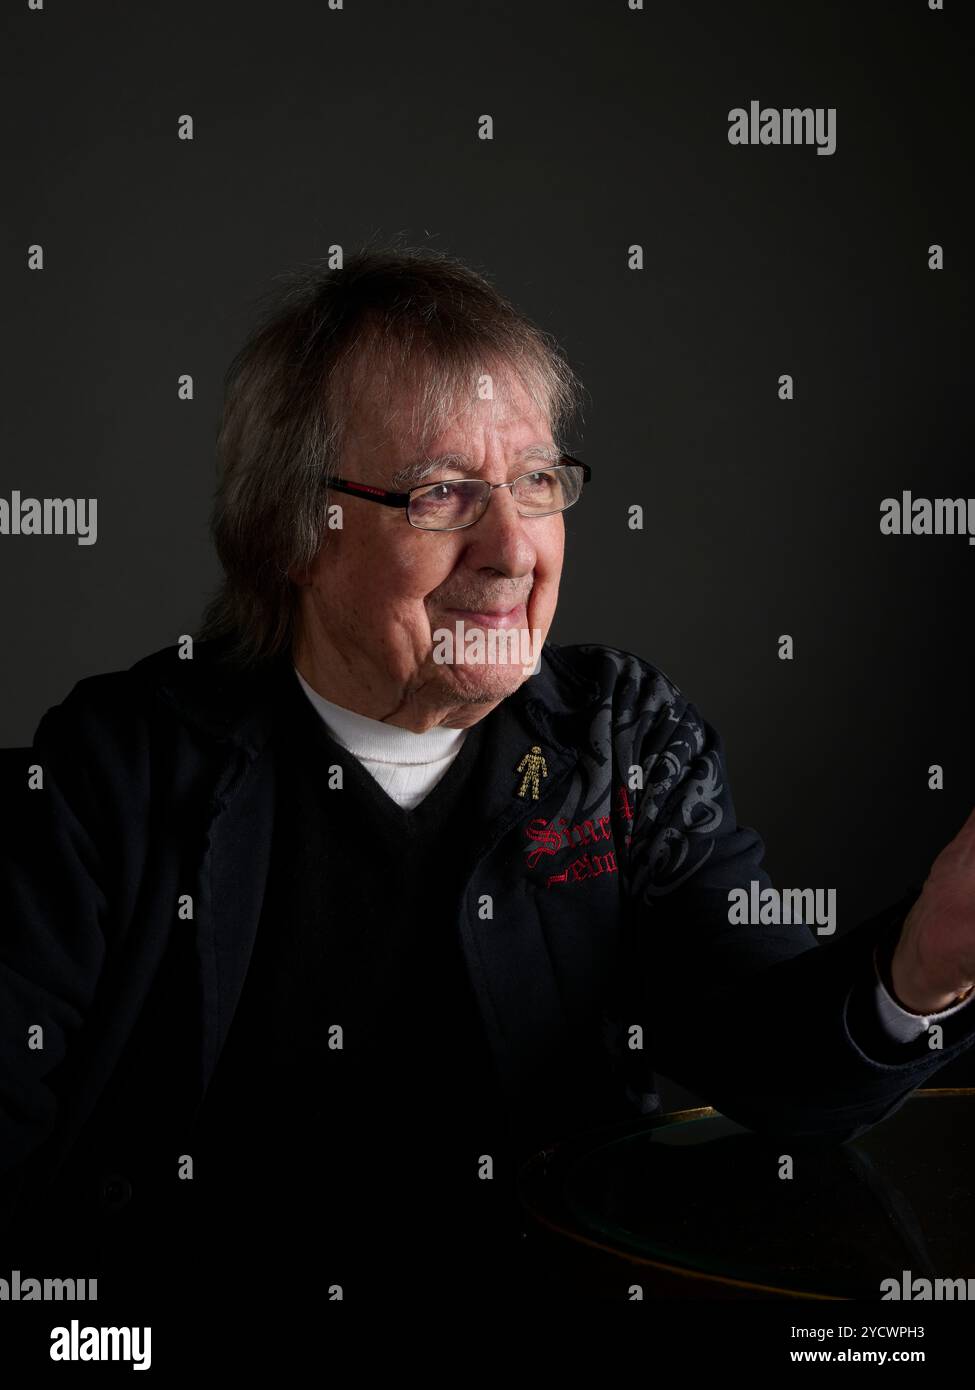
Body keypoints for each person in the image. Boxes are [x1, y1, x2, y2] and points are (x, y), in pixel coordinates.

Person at [2, 247, 975, 1310]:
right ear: (292, 533)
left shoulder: (622, 744)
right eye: (441, 494)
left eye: (537, 483)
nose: (515, 547)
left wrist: (922, 964)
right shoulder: (114, 772)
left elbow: (773, 1054)